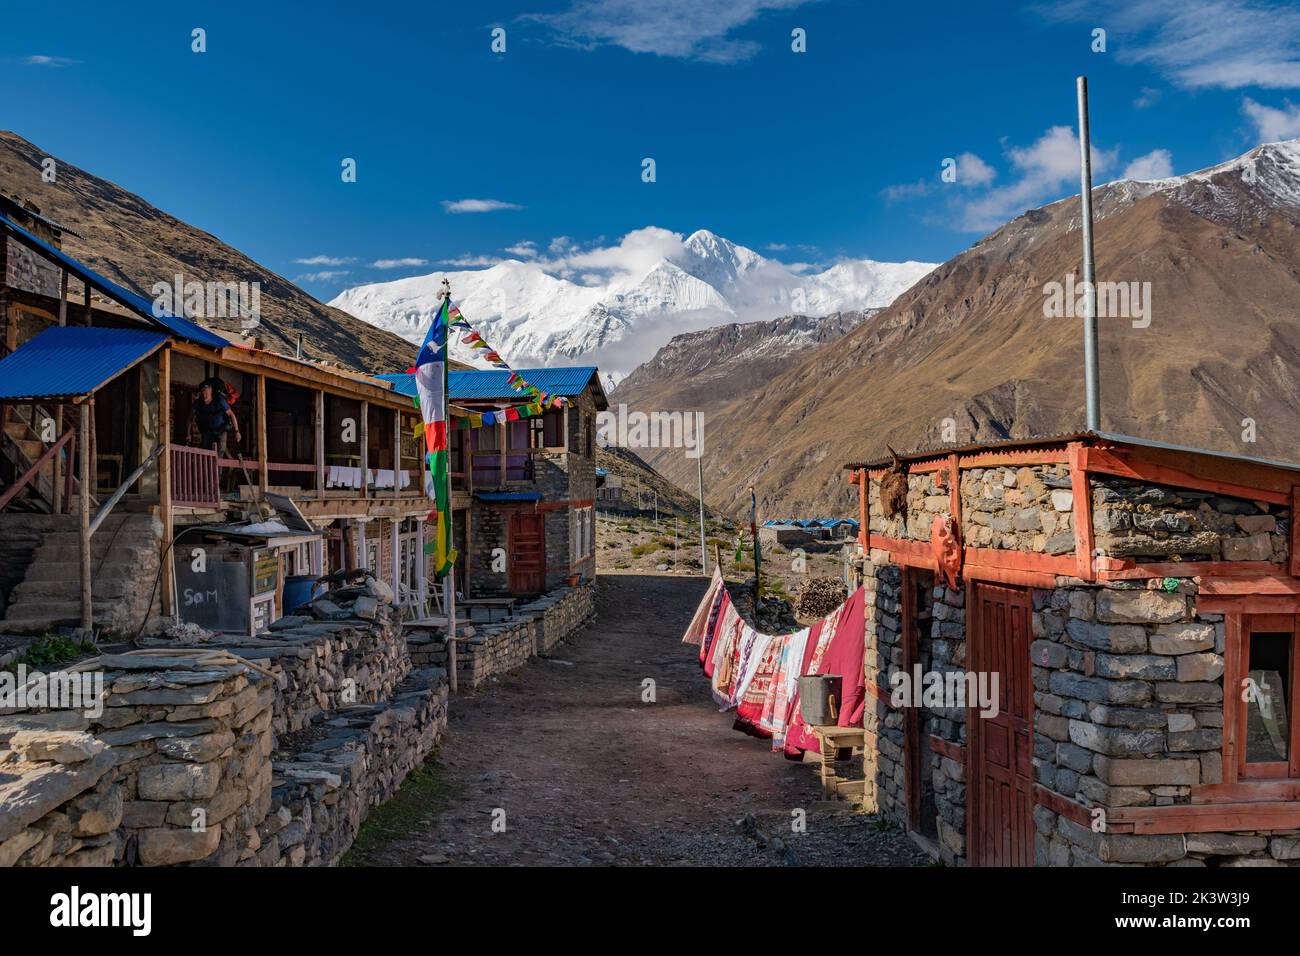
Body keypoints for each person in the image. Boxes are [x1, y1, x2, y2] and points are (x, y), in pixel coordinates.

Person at [190, 380, 240, 456]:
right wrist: (188, 433)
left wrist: (237, 431)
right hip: (206, 432)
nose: (204, 396)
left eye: (206, 393)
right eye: (202, 393)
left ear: (211, 391)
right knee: (206, 454)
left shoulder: (219, 401)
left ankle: (218, 467)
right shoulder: (198, 403)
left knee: (220, 453)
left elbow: (231, 414)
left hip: (221, 431)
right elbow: (190, 418)